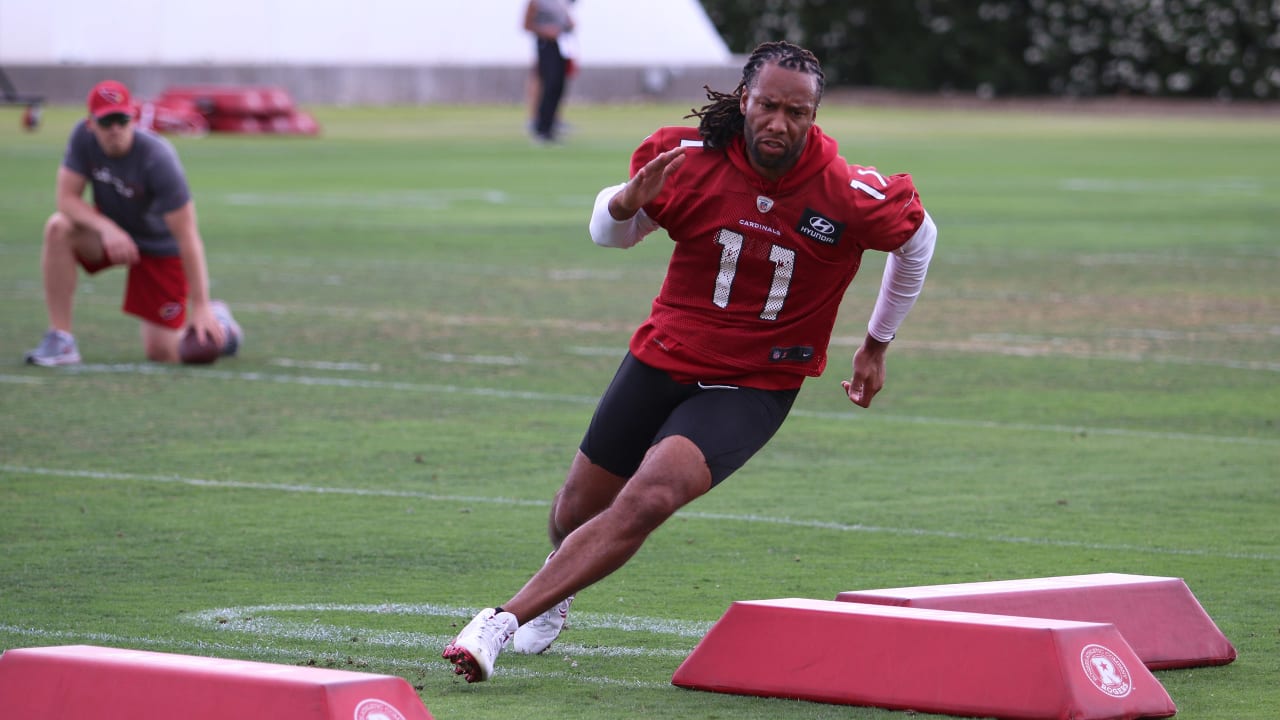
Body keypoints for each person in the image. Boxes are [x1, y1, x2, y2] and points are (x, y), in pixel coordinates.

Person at [442, 41, 937, 682]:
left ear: (814, 116)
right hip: (664, 354)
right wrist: (624, 203)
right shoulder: (688, 158)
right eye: (768, 106)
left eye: (796, 112)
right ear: (744, 99)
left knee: (650, 496)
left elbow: (918, 239)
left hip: (755, 379)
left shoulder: (847, 190)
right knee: (572, 513)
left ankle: (498, 622)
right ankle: (558, 586)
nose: (779, 123)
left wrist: (877, 342)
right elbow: (609, 234)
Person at [24, 79, 242, 367]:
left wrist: (200, 305)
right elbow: (66, 199)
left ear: (133, 119)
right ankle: (61, 339)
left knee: (165, 352)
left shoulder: (158, 157)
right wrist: (107, 228)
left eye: (122, 120)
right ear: (91, 124)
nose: (115, 128)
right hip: (112, 235)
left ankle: (222, 325)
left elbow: (187, 235)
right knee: (58, 228)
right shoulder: (82, 139)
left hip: (160, 246)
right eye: (106, 122)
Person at [523, 0, 575, 143]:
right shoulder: (537, 2)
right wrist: (545, 31)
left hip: (562, 45)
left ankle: (552, 125)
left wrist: (568, 25)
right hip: (546, 45)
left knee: (558, 85)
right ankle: (541, 128)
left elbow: (565, 21)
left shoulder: (560, 3)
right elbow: (526, 25)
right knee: (549, 84)